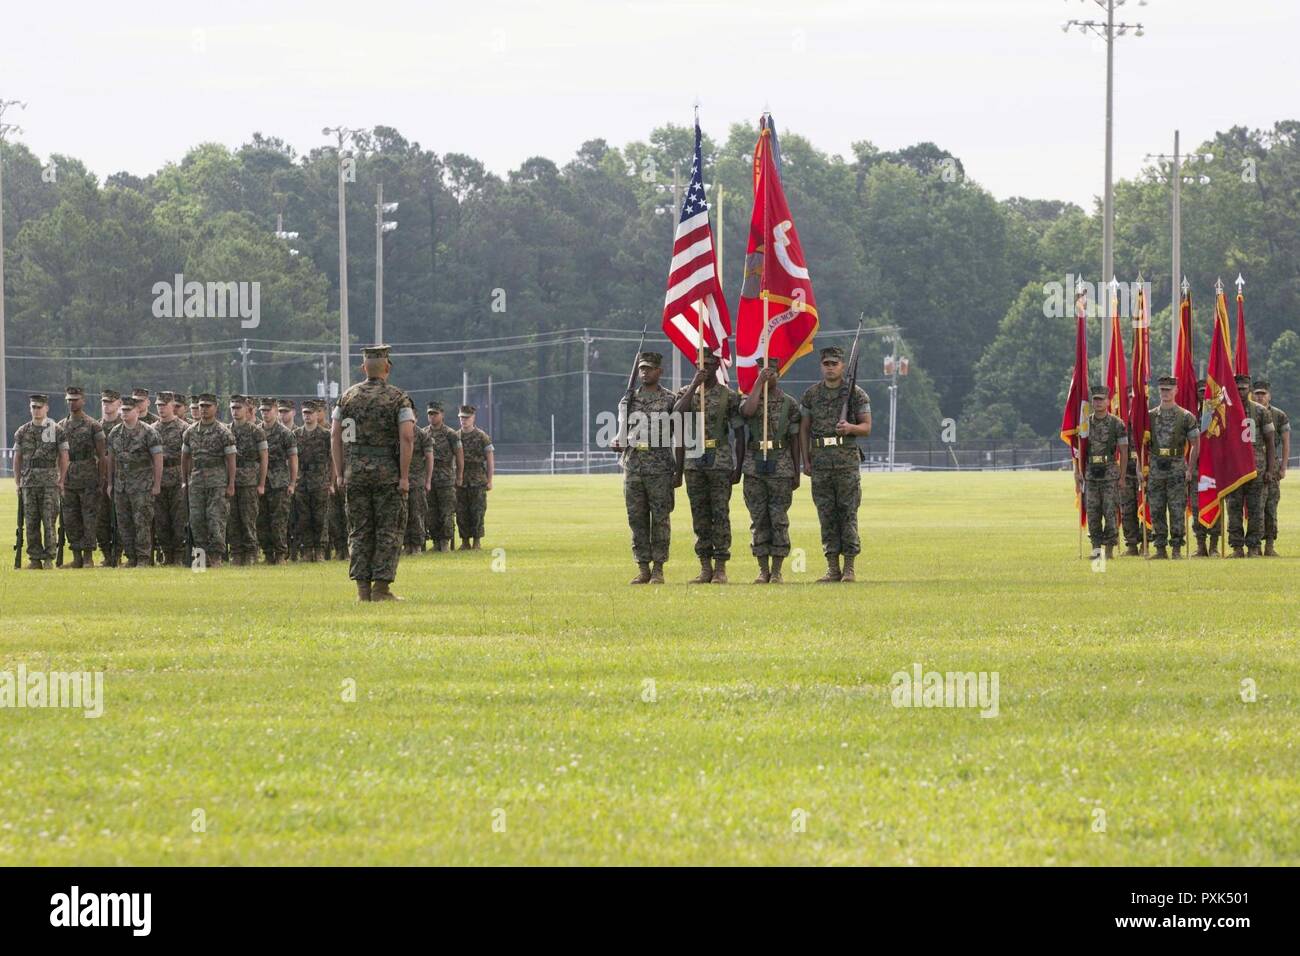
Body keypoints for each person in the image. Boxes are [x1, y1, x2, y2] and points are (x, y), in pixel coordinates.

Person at [331, 345, 416, 601]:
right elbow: (407, 437)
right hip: (387, 474)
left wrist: (340, 472)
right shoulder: (398, 398)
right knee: (387, 530)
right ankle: (381, 589)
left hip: (355, 473)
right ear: (387, 368)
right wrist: (403, 476)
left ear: (363, 367)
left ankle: (362, 591)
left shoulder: (347, 397)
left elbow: (335, 435)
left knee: (359, 530)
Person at [800, 345, 871, 582]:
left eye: (834, 364)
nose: (830, 368)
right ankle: (832, 567)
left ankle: (849, 567)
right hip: (821, 462)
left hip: (845, 463)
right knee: (826, 515)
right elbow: (804, 428)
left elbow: (866, 427)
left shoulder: (856, 394)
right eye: (826, 364)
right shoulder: (811, 395)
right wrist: (805, 459)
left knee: (847, 514)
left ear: (843, 366)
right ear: (821, 366)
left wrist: (850, 428)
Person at [673, 352, 744, 583]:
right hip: (694, 462)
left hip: (720, 461)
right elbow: (676, 417)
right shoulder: (687, 393)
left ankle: (721, 567)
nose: (704, 367)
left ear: (717, 366)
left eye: (709, 364)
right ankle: (705, 566)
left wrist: (738, 466)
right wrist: (694, 384)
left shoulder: (729, 396)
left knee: (720, 514)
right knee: (700, 515)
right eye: (700, 364)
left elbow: (739, 433)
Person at [614, 351, 678, 584]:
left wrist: (678, 470)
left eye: (649, 368)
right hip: (633, 466)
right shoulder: (629, 400)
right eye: (642, 368)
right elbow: (622, 431)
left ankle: (659, 568)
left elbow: (679, 433)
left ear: (659, 372)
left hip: (660, 466)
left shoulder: (670, 400)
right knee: (636, 518)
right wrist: (617, 442)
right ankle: (643, 567)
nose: (644, 372)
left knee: (660, 518)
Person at [739, 356, 801, 583]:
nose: (768, 375)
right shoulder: (751, 398)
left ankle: (777, 570)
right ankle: (762, 569)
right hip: (754, 467)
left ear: (779, 373)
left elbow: (794, 439)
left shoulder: (789, 404)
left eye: (772, 372)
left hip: (781, 467)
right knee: (758, 519)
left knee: (778, 519)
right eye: (763, 371)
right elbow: (746, 412)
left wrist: (797, 469)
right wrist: (757, 384)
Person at [1144, 376, 1199, 559]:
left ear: (1176, 391)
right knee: (1157, 508)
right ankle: (1160, 549)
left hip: (1176, 466)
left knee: (1177, 509)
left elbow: (1195, 444)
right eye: (1162, 390)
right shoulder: (1150, 416)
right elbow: (1141, 444)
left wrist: (1189, 469)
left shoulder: (1186, 416)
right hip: (1156, 467)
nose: (1165, 393)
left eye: (1169, 389)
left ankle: (1176, 549)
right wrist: (1141, 468)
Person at [181, 393, 237, 569]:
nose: (203, 409)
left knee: (215, 520)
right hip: (197, 482)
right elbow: (185, 458)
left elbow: (231, 460)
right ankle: (200, 559)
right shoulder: (190, 432)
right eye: (201, 406)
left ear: (215, 408)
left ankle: (216, 557)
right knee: (197, 521)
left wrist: (231, 484)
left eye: (207, 406)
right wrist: (185, 480)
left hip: (217, 482)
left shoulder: (223, 432)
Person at [13, 394, 69, 569]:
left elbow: (64, 456)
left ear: (46, 408)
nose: (36, 410)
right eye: (33, 407)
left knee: (49, 520)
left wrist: (61, 479)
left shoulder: (56, 430)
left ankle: (49, 557)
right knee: (31, 521)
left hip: (49, 482)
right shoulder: (22, 431)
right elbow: (18, 458)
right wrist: (17, 482)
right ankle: (34, 558)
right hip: (29, 482)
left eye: (39, 407)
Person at [106, 395, 163, 567]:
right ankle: (131, 557)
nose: (124, 413)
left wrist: (157, 484)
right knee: (124, 523)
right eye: (122, 410)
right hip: (121, 485)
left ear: (137, 411)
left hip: (142, 485)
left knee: (142, 522)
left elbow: (158, 459)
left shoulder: (149, 432)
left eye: (128, 410)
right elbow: (111, 460)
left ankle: (144, 557)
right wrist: (110, 483)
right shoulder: (115, 433)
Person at [1227, 374, 1276, 558]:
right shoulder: (1227, 411)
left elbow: (1270, 442)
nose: (1240, 391)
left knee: (1256, 510)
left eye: (1244, 388)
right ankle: (1237, 547)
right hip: (1234, 469)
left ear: (1249, 389)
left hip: (1257, 468)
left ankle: (1254, 547)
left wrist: (1270, 470)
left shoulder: (1261, 411)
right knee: (1234, 509)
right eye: (1237, 388)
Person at [1078, 385, 1128, 561]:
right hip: (1091, 475)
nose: (1098, 402)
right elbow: (1079, 451)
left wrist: (1122, 477)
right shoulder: (1085, 424)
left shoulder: (1117, 424)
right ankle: (1096, 549)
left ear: (1108, 401)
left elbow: (1123, 451)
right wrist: (1078, 472)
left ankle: (1109, 550)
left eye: (1101, 399)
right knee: (1093, 512)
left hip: (1109, 475)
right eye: (1095, 399)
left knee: (1110, 511)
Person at [57, 385, 105, 568]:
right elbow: (58, 455)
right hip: (68, 478)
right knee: (70, 518)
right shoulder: (60, 426)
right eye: (69, 399)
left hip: (88, 477)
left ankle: (87, 557)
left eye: (75, 399)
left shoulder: (93, 425)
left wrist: (101, 480)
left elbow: (102, 455)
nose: (71, 402)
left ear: (83, 401)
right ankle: (76, 556)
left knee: (89, 517)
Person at [227, 394, 268, 565]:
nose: (235, 411)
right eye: (232, 408)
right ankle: (236, 553)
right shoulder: (226, 430)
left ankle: (251, 553)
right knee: (233, 519)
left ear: (246, 409)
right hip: (231, 481)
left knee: (248, 519)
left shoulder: (256, 431)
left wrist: (261, 483)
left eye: (238, 408)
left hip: (250, 482)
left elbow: (264, 458)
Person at [256, 397, 298, 564]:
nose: (265, 414)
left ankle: (280, 554)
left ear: (275, 410)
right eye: (262, 411)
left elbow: (293, 459)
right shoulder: (256, 431)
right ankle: (267, 553)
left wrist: (293, 482)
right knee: (261, 519)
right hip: (260, 480)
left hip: (279, 482)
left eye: (268, 410)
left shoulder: (285, 434)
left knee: (279, 520)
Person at [152, 391, 191, 565]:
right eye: (158, 406)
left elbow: (190, 457)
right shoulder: (152, 430)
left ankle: (179, 555)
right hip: (159, 479)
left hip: (177, 478)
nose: (161, 409)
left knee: (178, 519)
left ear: (172, 406)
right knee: (161, 519)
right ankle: (166, 554)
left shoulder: (184, 428)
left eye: (164, 405)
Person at [1253, 380, 1289, 556]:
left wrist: (1283, 467)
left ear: (1269, 395)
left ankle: (1269, 545)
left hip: (1272, 466)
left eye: (1263, 394)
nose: (1260, 397)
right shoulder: (1250, 413)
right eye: (1257, 393)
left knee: (1270, 506)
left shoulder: (1278, 415)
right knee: (1256, 508)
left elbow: (1286, 442)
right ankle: (1256, 545)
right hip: (1255, 465)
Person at [293, 400, 332, 561]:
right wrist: (293, 479)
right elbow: (292, 459)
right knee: (304, 517)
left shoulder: (325, 435)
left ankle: (320, 550)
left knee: (320, 517)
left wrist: (332, 480)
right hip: (302, 481)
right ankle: (307, 550)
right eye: (304, 413)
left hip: (320, 480)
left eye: (310, 413)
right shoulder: (296, 435)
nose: (307, 416)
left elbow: (333, 460)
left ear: (317, 414)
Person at [424, 401, 463, 552]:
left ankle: (445, 542)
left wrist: (459, 476)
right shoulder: (424, 433)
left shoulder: (450, 434)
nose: (432, 417)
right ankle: (436, 542)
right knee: (431, 512)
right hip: (430, 479)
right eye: (430, 414)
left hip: (446, 479)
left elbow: (459, 456)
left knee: (446, 512)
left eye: (435, 414)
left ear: (442, 414)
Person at [455, 405, 494, 550]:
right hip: (460, 479)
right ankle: (465, 541)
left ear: (473, 418)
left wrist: (490, 480)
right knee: (461, 512)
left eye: (466, 418)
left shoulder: (482, 436)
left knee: (477, 511)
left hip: (477, 479)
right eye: (461, 418)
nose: (463, 421)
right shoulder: (456, 436)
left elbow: (489, 460)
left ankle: (477, 541)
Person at [1192, 378, 1223, 556]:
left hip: (1214, 469)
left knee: (1214, 505)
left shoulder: (1219, 416)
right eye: (1201, 391)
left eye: (1207, 392)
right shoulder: (1190, 416)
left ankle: (1214, 547)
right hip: (1196, 469)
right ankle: (1201, 546)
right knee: (1197, 507)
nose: (1204, 395)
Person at [96, 389, 124, 566]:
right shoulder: (95, 427)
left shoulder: (125, 426)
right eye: (104, 402)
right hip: (100, 479)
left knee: (121, 518)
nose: (107, 405)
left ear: (119, 404)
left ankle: (119, 553)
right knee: (101, 518)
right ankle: (107, 554)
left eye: (110, 402)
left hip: (122, 479)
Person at [404, 412, 435, 554]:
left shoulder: (423, 435)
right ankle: (406, 544)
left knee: (417, 513)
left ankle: (416, 546)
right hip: (401, 480)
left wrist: (428, 480)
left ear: (416, 418)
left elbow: (429, 458)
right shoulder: (398, 433)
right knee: (401, 514)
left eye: (412, 419)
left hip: (417, 480)